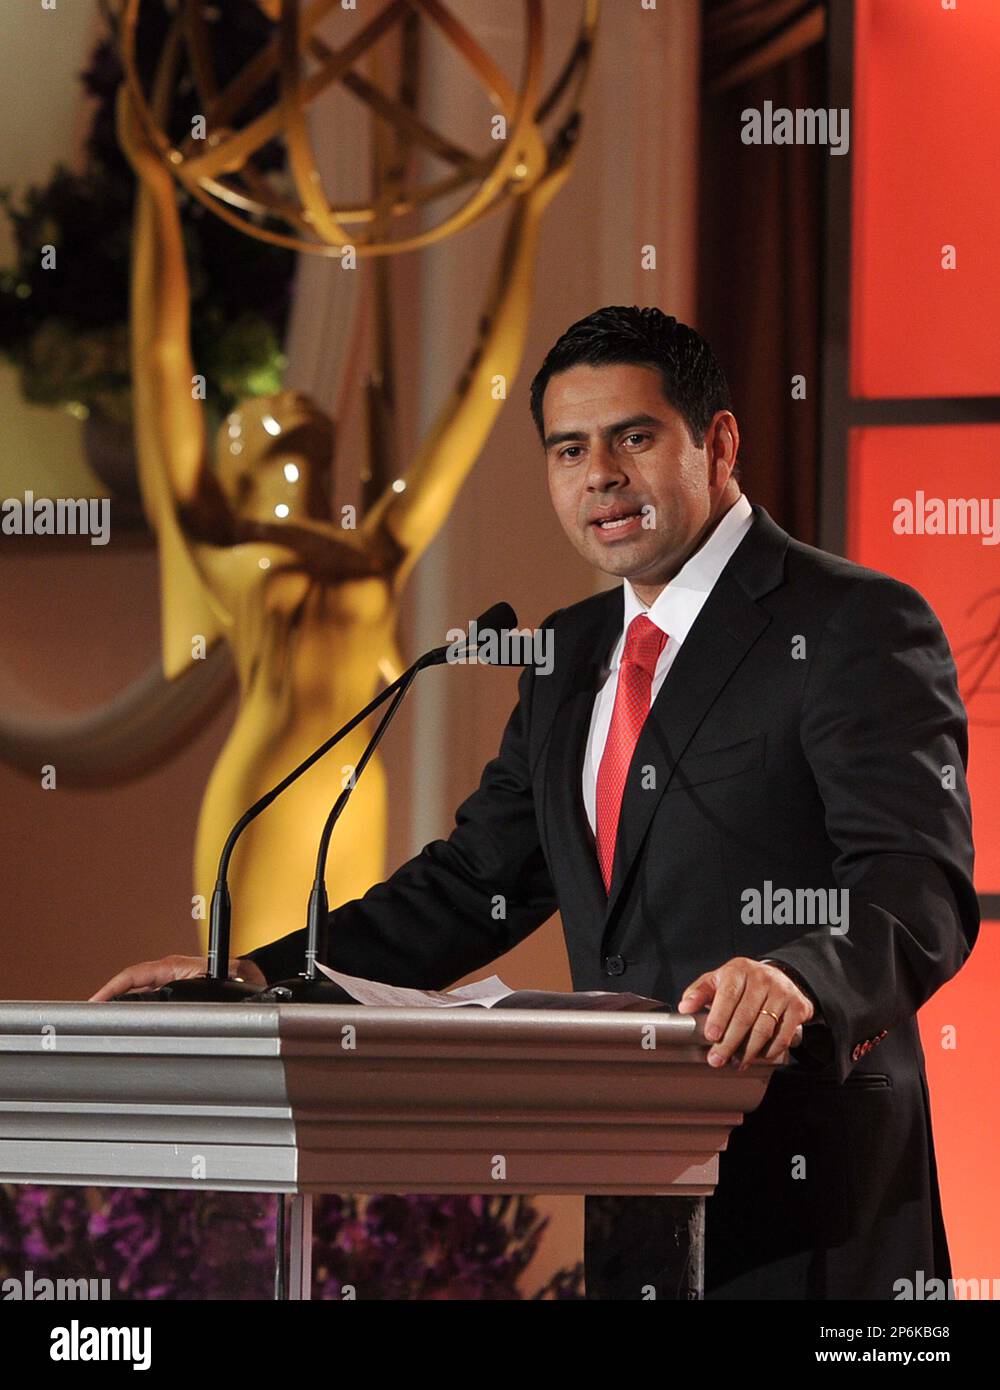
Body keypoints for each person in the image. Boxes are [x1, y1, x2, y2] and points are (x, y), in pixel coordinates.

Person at [92, 306, 979, 1300]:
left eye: (632, 437)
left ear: (717, 443)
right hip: (640, 1195)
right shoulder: (566, 656)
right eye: (567, 449)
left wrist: (802, 977)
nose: (597, 474)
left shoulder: (853, 622)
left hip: (820, 1208)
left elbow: (917, 883)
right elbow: (471, 886)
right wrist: (252, 977)